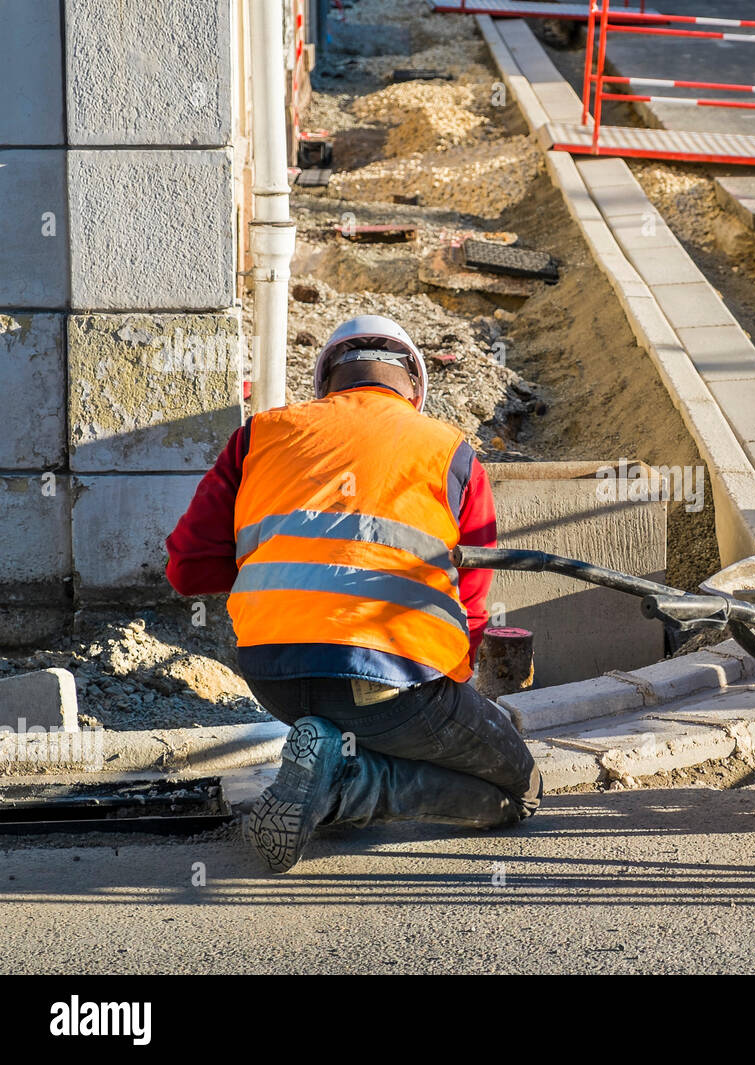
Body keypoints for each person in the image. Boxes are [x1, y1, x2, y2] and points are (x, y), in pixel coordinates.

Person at [166, 315, 541, 873]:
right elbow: (472, 604)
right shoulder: (450, 452)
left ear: (326, 383)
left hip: (276, 680)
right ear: (415, 387)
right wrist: (449, 696)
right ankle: (350, 787)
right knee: (522, 792)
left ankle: (326, 758)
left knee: (359, 724)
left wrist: (271, 555)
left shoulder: (257, 437)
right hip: (390, 684)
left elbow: (187, 570)